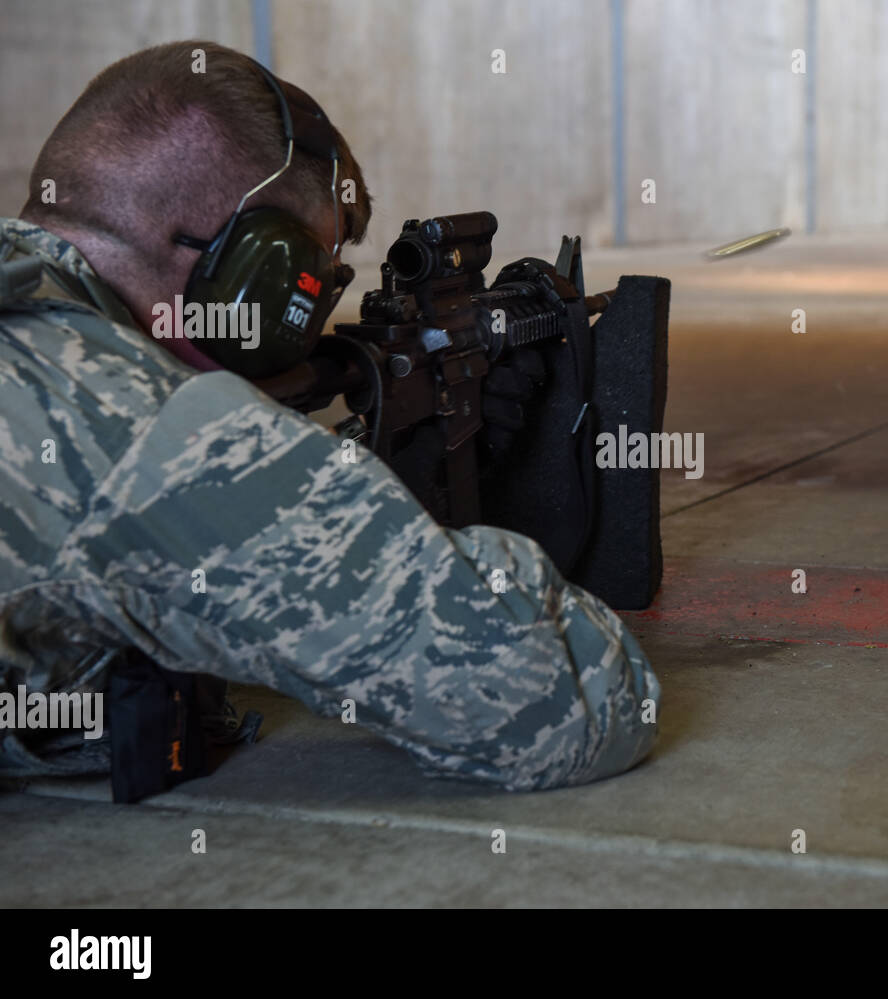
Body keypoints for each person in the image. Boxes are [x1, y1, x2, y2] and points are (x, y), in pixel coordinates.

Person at [0, 40, 659, 792]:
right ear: (242, 268)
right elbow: (566, 699)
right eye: (311, 281)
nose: (310, 324)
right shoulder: (140, 428)